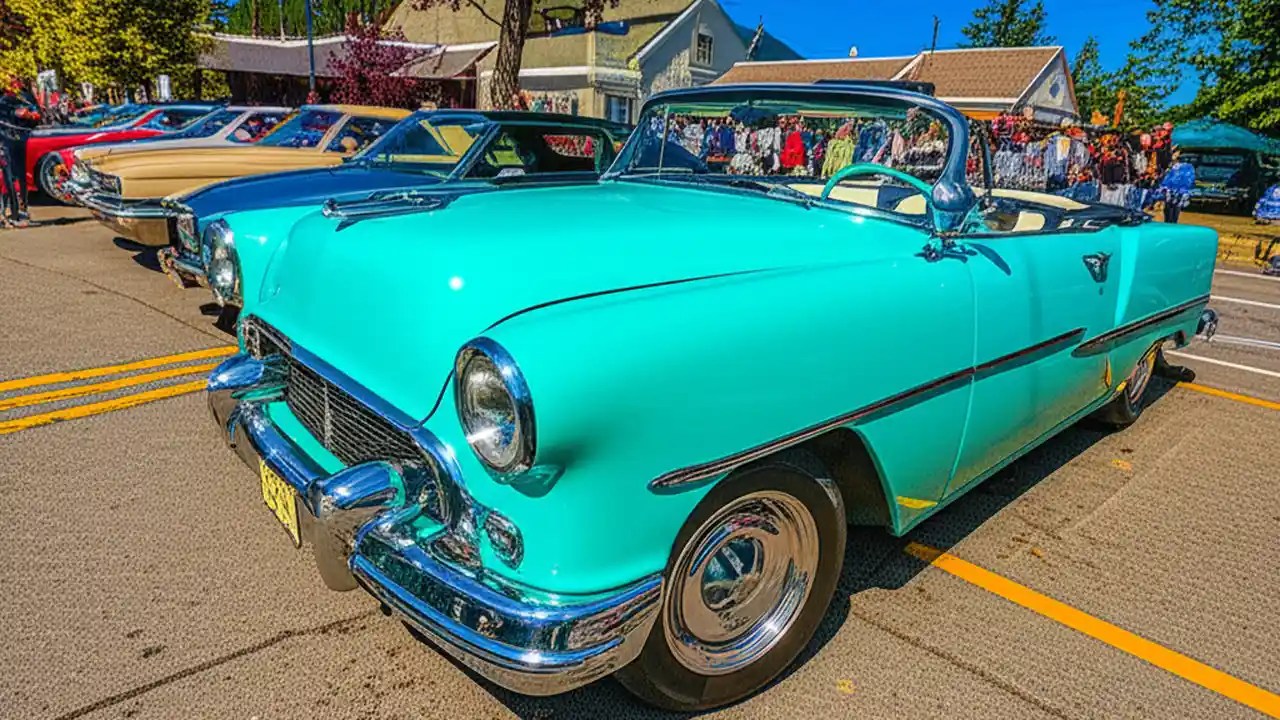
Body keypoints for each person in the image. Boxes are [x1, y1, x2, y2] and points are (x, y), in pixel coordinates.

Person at [1156, 150, 1194, 224]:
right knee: (1170, 208)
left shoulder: (1185, 167)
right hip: (1171, 190)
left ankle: (1171, 222)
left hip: (1177, 190)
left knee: (1174, 208)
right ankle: (1170, 222)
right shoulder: (1170, 166)